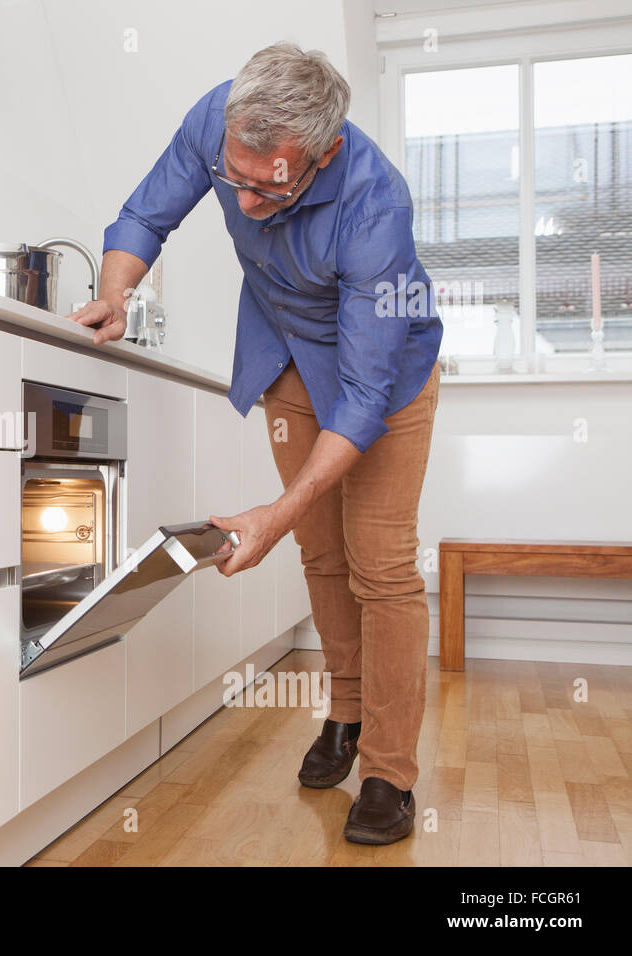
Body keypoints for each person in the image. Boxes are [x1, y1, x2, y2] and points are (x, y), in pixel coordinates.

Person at [72, 42, 444, 845]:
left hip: (385, 375)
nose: (240, 204)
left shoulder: (377, 209)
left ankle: (388, 770)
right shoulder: (222, 117)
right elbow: (146, 213)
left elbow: (366, 397)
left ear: (324, 153)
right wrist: (116, 292)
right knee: (320, 550)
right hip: (288, 356)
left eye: (265, 187)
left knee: (379, 562)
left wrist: (274, 511)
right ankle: (343, 713)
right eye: (231, 179)